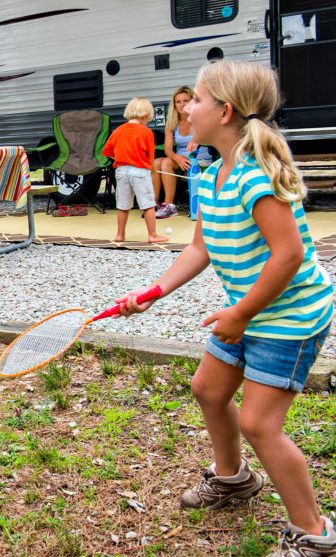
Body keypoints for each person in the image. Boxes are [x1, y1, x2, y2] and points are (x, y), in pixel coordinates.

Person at [116, 61, 334, 556]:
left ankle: (316, 534)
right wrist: (154, 292)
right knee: (208, 389)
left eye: (194, 98)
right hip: (247, 309)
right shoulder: (212, 175)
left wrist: (240, 314)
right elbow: (200, 248)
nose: (186, 108)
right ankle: (234, 478)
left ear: (225, 110)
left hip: (290, 315)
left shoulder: (256, 177)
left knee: (260, 423)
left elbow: (290, 255)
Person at [103, 98, 168, 243]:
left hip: (121, 171)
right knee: (148, 204)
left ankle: (120, 235)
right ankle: (152, 235)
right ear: (145, 115)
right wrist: (153, 169)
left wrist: (121, 158)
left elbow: (107, 151)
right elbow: (150, 156)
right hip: (139, 171)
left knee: (123, 206)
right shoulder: (146, 131)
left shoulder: (118, 130)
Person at [153, 85, 213, 218]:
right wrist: (177, 157)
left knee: (167, 163)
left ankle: (170, 205)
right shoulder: (172, 123)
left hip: (199, 162)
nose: (182, 105)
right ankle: (153, 204)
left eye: (186, 100)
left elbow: (214, 137)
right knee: (156, 162)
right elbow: (167, 148)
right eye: (178, 102)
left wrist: (200, 139)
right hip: (181, 161)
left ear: (193, 101)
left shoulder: (201, 119)